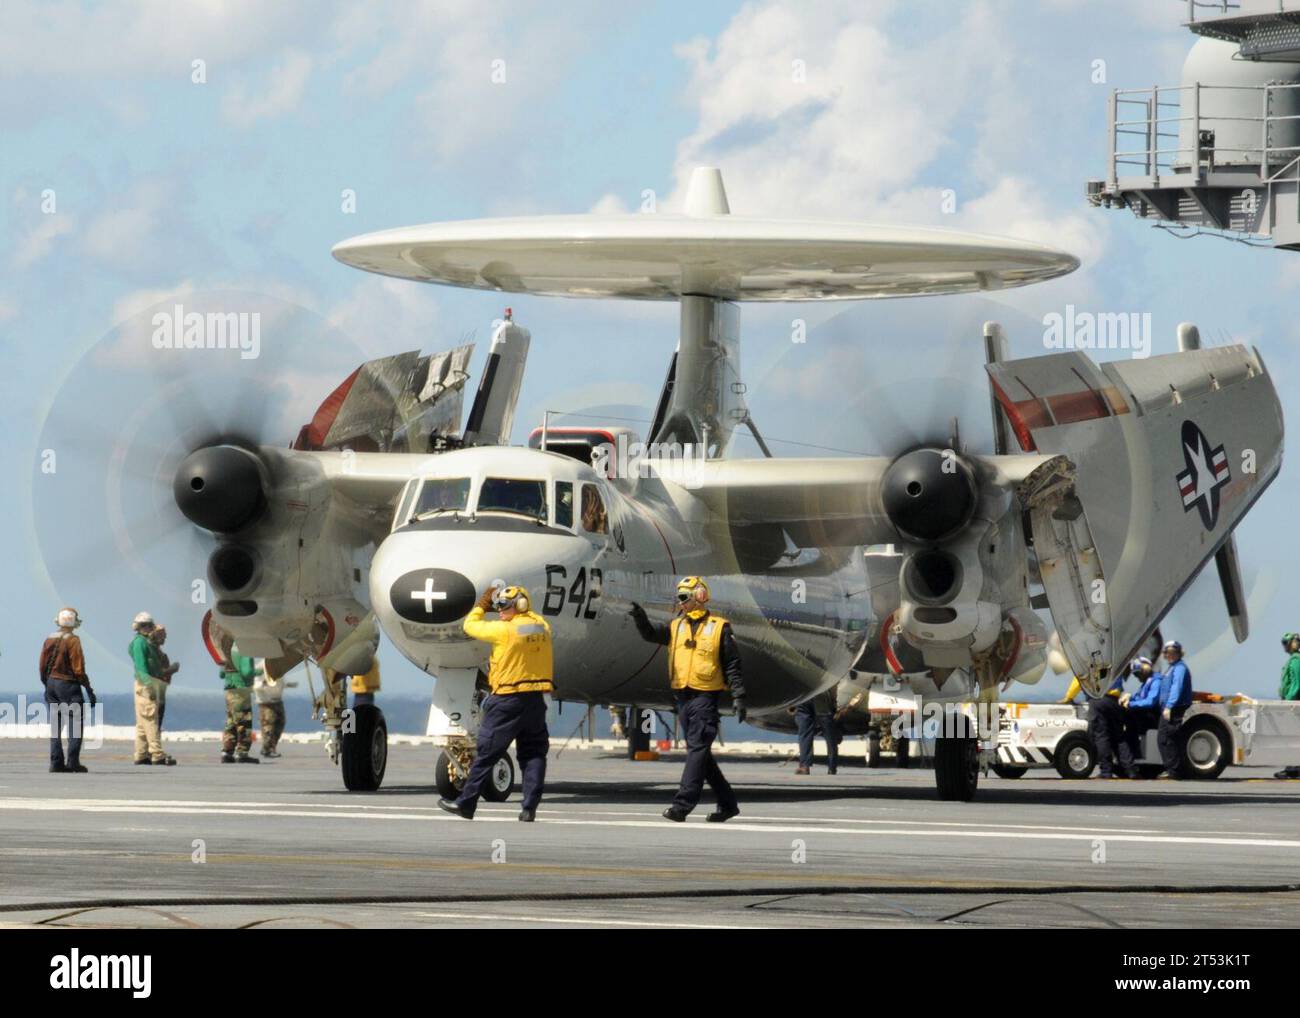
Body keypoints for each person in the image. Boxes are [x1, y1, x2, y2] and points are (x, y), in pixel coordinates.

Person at [629, 576, 746, 823]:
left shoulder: (719, 628)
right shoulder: (676, 627)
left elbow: (732, 664)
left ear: (699, 596)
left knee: (697, 749)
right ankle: (728, 803)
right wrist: (640, 618)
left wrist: (739, 696)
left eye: (683, 598)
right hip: (683, 698)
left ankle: (682, 805)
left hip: (705, 697)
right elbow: (650, 634)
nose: (680, 603)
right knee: (700, 752)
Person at [439, 585, 553, 822]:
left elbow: (469, 626)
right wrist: (508, 605)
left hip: (507, 701)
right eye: (498, 605)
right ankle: (529, 808)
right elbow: (529, 622)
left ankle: (466, 804)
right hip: (535, 701)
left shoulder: (504, 631)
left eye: (504, 606)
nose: (499, 610)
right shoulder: (542, 626)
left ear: (519, 605)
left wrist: (482, 605)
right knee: (533, 755)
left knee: (486, 754)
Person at [39, 607, 96, 773]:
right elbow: (78, 669)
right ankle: (73, 762)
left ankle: (56, 762)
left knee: (56, 724)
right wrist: (89, 689)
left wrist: (47, 684)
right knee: (75, 722)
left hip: (51, 684)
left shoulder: (49, 639)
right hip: (68, 685)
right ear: (75, 622)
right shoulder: (73, 640)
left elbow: (42, 665)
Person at [1060, 667, 1133, 779]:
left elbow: (1080, 679)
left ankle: (1106, 771)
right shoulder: (1114, 661)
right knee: (1119, 737)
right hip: (1115, 701)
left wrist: (1068, 697)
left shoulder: (1092, 662)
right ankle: (1130, 769)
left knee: (1101, 737)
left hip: (1098, 700)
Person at [130, 612, 174, 766]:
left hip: (146, 684)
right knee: (150, 720)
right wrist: (149, 686)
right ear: (138, 627)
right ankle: (157, 753)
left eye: (149, 625)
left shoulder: (146, 643)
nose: (147, 628)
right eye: (144, 625)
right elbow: (142, 668)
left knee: (143, 723)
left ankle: (141, 754)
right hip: (146, 685)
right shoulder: (140, 643)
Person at [1155, 640, 1193, 779]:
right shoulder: (1172, 668)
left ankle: (1174, 771)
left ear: (1179, 654)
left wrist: (1169, 707)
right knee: (1165, 738)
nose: (1170, 655)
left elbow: (1176, 688)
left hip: (1174, 708)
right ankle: (1172, 769)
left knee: (1167, 738)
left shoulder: (1179, 668)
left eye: (1174, 653)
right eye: (1168, 653)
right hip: (1168, 707)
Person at [220, 646, 261, 763]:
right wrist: (260, 671)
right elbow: (247, 672)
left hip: (229, 690)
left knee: (231, 722)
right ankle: (242, 753)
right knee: (244, 722)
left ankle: (227, 752)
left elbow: (221, 674)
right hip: (241, 691)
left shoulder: (227, 652)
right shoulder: (245, 650)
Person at [1122, 655, 1161, 774]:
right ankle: (1134, 753)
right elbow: (1139, 696)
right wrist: (1129, 697)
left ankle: (1133, 753)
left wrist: (1131, 704)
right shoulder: (1146, 683)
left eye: (1138, 673)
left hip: (1155, 715)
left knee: (1130, 720)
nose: (1136, 676)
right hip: (1148, 714)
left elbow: (1150, 701)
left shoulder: (1156, 681)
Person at [254, 661, 297, 759]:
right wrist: (263, 685)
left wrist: (288, 685)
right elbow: (256, 685)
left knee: (280, 723)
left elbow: (279, 683)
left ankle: (271, 747)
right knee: (268, 726)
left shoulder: (279, 666)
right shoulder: (261, 667)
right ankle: (267, 749)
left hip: (277, 700)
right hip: (266, 701)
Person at [794, 688, 840, 775]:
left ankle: (805, 766)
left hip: (804, 694)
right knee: (828, 731)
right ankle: (831, 766)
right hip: (819, 693)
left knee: (805, 732)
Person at [1274, 634, 1300, 779]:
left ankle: (1293, 768)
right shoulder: (1293, 659)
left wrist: (1288, 701)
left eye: (1286, 642)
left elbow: (1297, 684)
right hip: (1293, 704)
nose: (1284, 645)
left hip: (1294, 705)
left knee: (1293, 736)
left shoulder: (1296, 661)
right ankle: (1292, 767)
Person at [149, 625, 180, 734]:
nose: (164, 638)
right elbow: (155, 672)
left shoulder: (158, 652)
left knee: (158, 721)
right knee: (153, 722)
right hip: (154, 690)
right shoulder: (151, 652)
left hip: (161, 690)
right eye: (162, 635)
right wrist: (171, 669)